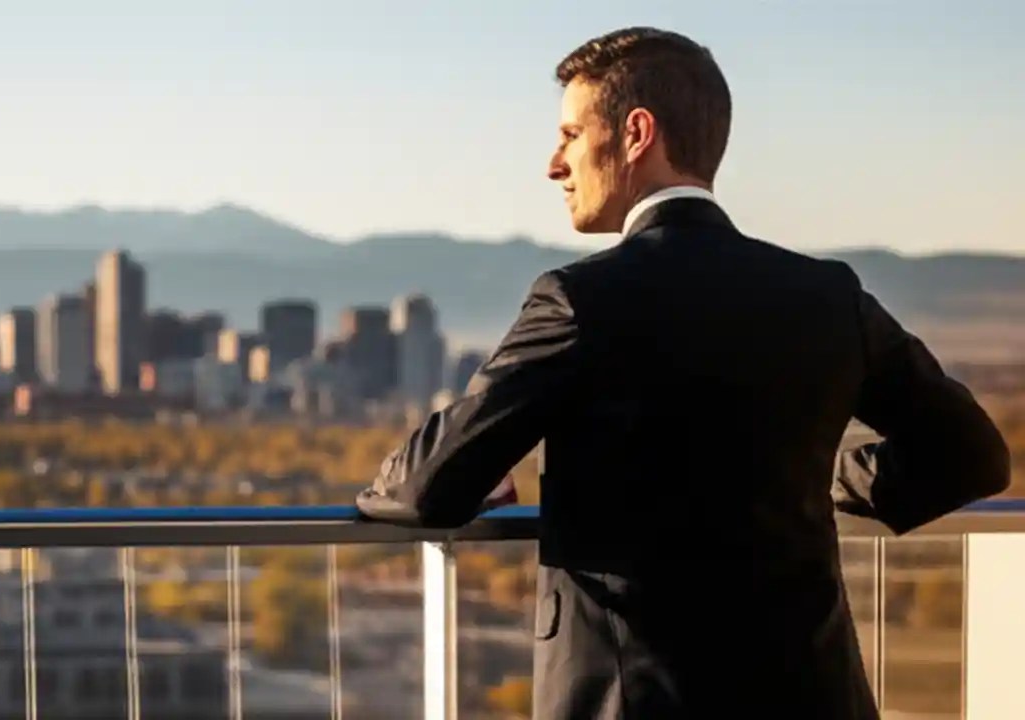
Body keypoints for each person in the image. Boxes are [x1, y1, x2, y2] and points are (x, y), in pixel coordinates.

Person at [354, 26, 1010, 719]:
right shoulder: (827, 296)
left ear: (637, 134)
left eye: (570, 135)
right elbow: (970, 456)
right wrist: (832, 479)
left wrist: (406, 483)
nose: (554, 164)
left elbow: (428, 486)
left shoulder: (582, 300)